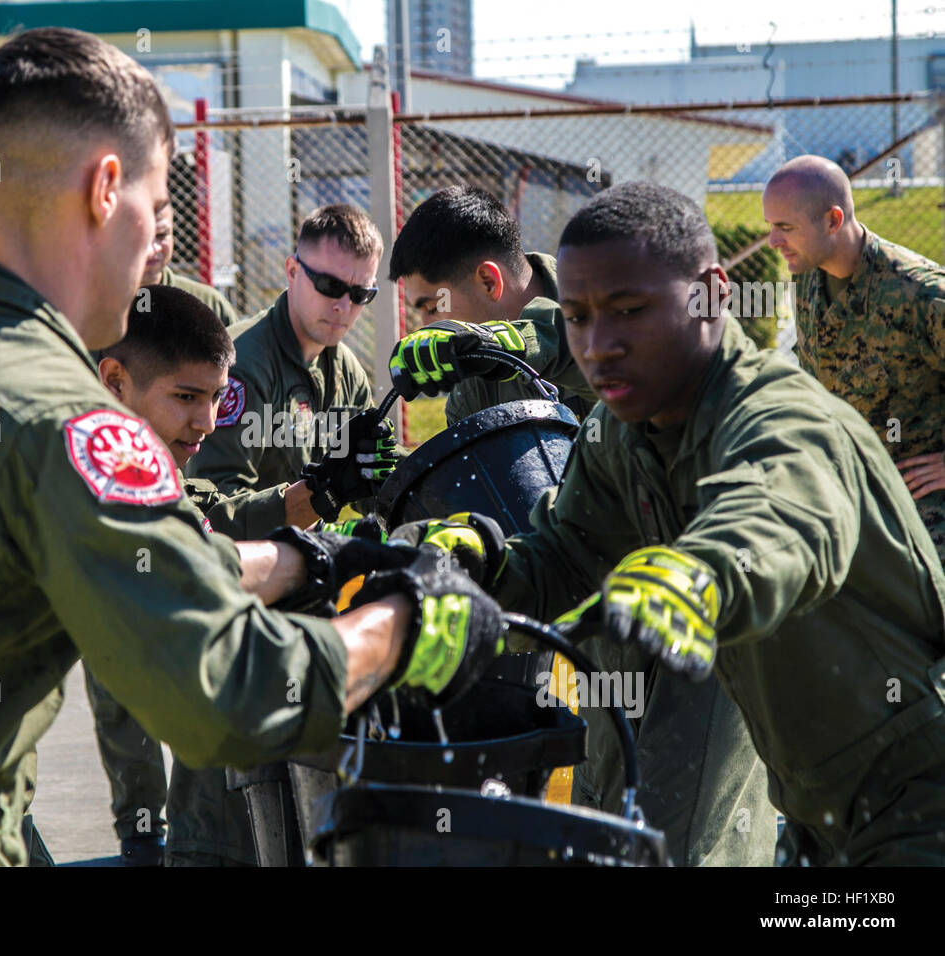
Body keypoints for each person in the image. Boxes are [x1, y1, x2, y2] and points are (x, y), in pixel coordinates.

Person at [0, 27, 503, 866]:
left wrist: (304, 560)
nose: (156, 252)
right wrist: (412, 620)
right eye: (156, 210)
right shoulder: (59, 415)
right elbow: (228, 692)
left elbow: (140, 554)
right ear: (104, 190)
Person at [407, 181, 945, 866]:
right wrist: (480, 560)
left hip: (917, 802)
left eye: (628, 311)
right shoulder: (621, 433)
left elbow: (775, 521)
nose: (599, 346)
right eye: (576, 317)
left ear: (713, 294)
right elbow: (568, 555)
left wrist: (693, 579)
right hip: (819, 812)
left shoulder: (781, 417)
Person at [85, 285, 308, 865]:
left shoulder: (137, 448)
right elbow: (191, 570)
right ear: (114, 381)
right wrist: (308, 560)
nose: (207, 421)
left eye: (216, 398)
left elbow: (199, 516)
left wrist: (314, 499)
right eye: (187, 397)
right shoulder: (94, 464)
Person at [763, 155, 945, 563]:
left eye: (785, 228)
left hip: (920, 503)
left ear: (832, 220)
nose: (773, 242)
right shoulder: (807, 274)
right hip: (848, 485)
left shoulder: (919, 294)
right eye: (770, 227)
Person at [187, 204, 397, 531]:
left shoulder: (345, 370)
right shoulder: (240, 365)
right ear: (292, 271)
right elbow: (212, 510)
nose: (343, 306)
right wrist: (321, 505)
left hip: (299, 553)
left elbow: (368, 484)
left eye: (360, 294)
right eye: (329, 286)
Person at [387, 185, 593, 425]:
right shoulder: (471, 389)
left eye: (432, 307)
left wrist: (506, 344)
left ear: (488, 281)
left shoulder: (606, 310)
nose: (424, 326)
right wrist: (387, 461)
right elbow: (470, 463)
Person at [141, 203, 239, 327]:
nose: (153, 248)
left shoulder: (209, 305)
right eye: (141, 236)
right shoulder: (109, 304)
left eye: (161, 235)